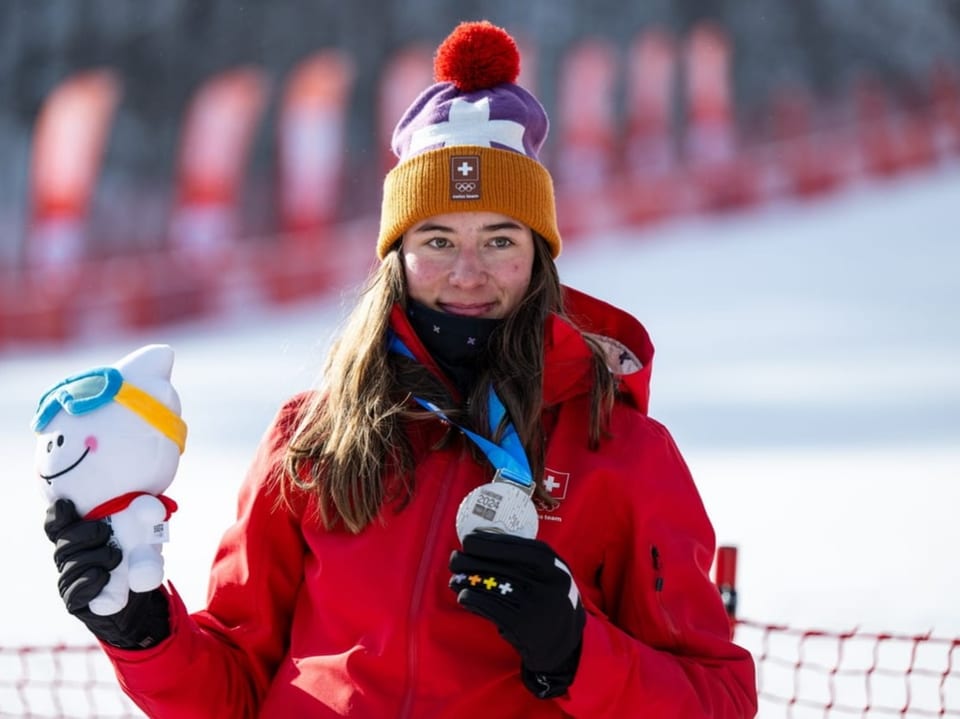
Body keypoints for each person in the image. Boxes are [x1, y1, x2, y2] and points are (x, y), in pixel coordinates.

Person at [41, 20, 758, 718]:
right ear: (397, 256)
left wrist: (575, 653)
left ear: (539, 255)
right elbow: (233, 686)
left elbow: (720, 701)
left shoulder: (622, 451)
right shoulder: (311, 435)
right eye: (438, 238)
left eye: (500, 239)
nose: (469, 272)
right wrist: (143, 632)